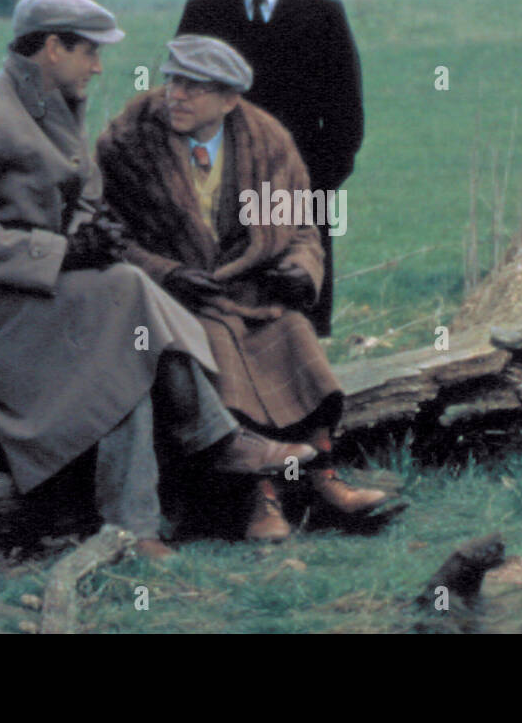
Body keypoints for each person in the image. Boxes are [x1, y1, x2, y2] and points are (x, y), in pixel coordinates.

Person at [0, 0, 317, 559]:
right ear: (52, 47)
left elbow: (85, 204)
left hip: (29, 287)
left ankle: (136, 527)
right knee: (123, 295)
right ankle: (214, 443)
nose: (99, 67)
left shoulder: (56, 109)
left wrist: (100, 237)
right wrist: (67, 254)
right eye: (89, 52)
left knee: (124, 336)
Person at [97, 35, 388, 543]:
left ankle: (322, 476)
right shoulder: (129, 142)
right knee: (218, 342)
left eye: (196, 87)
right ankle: (262, 498)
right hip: (177, 297)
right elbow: (108, 234)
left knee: (295, 331)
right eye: (173, 81)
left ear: (230, 99)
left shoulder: (265, 140)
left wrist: (300, 270)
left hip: (253, 288)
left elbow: (301, 229)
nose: (177, 95)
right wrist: (164, 271)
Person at [175, 0, 363, 337]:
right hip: (215, 197)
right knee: (220, 324)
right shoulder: (202, 13)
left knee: (296, 326)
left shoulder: (324, 15)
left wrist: (302, 194)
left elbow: (345, 123)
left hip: (299, 196)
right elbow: (178, 108)